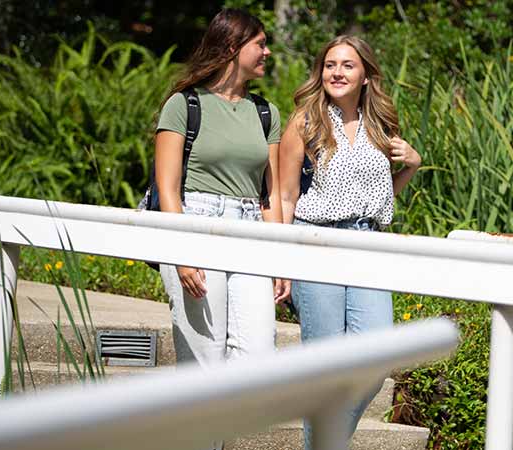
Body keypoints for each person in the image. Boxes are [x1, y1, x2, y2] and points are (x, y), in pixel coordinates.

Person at [149, 10, 288, 448]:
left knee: (257, 358)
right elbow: (168, 190)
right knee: (203, 361)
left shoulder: (265, 112)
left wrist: (281, 259)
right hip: (197, 226)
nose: (267, 52)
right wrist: (183, 252)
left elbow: (273, 195)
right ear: (232, 47)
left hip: (250, 231)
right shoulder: (184, 105)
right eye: (260, 43)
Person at [278, 35, 422, 448]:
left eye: (347, 65)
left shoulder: (382, 125)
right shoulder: (305, 122)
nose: (337, 73)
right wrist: (281, 264)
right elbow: (286, 196)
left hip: (369, 245)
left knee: (374, 362)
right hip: (317, 244)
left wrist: (411, 166)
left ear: (365, 75)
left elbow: (376, 197)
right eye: (330, 65)